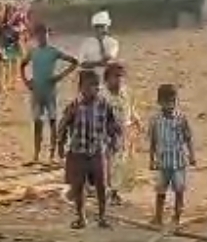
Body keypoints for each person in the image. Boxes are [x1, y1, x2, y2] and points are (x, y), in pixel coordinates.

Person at [57, 70, 121, 230]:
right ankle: (81, 217)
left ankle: (102, 216)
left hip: (97, 151)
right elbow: (63, 125)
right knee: (78, 186)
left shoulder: (104, 105)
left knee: (101, 185)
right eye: (89, 86)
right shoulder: (74, 106)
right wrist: (60, 143)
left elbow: (112, 125)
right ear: (80, 88)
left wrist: (114, 141)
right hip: (78, 152)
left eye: (96, 86)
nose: (93, 90)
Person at [20, 23, 79, 165]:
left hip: (50, 92)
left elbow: (74, 62)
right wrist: (26, 82)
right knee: (37, 123)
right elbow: (22, 65)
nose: (42, 37)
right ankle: (36, 155)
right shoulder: (33, 52)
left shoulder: (53, 51)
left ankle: (51, 155)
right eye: (39, 35)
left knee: (52, 122)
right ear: (36, 37)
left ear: (48, 35)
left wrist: (59, 76)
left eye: (44, 34)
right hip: (37, 92)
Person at [146, 84, 196, 228]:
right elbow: (153, 142)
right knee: (160, 189)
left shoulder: (181, 118)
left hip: (178, 162)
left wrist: (192, 155)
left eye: (173, 101)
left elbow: (188, 138)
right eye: (166, 101)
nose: (170, 105)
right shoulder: (155, 120)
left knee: (179, 189)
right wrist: (151, 159)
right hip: (163, 162)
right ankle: (158, 216)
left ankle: (177, 216)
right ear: (159, 102)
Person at [102, 63, 141, 205]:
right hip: (106, 135)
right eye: (115, 76)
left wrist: (136, 121)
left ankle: (114, 191)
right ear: (107, 79)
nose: (119, 80)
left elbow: (130, 108)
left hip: (123, 134)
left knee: (121, 163)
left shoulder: (125, 93)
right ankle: (109, 191)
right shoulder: (102, 96)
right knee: (110, 164)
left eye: (121, 76)